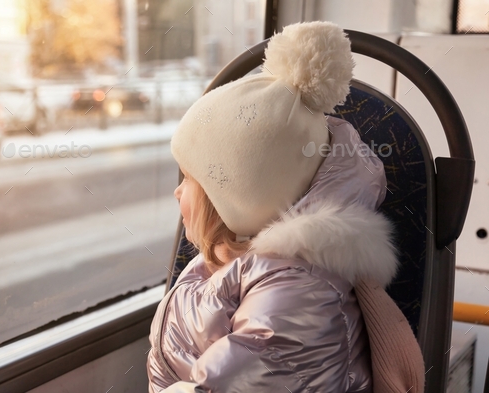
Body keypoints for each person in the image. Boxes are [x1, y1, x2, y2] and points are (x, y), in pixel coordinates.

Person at [147, 21, 424, 393]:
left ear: (235, 204)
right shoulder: (231, 259)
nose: (177, 194)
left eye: (189, 181)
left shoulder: (299, 291)